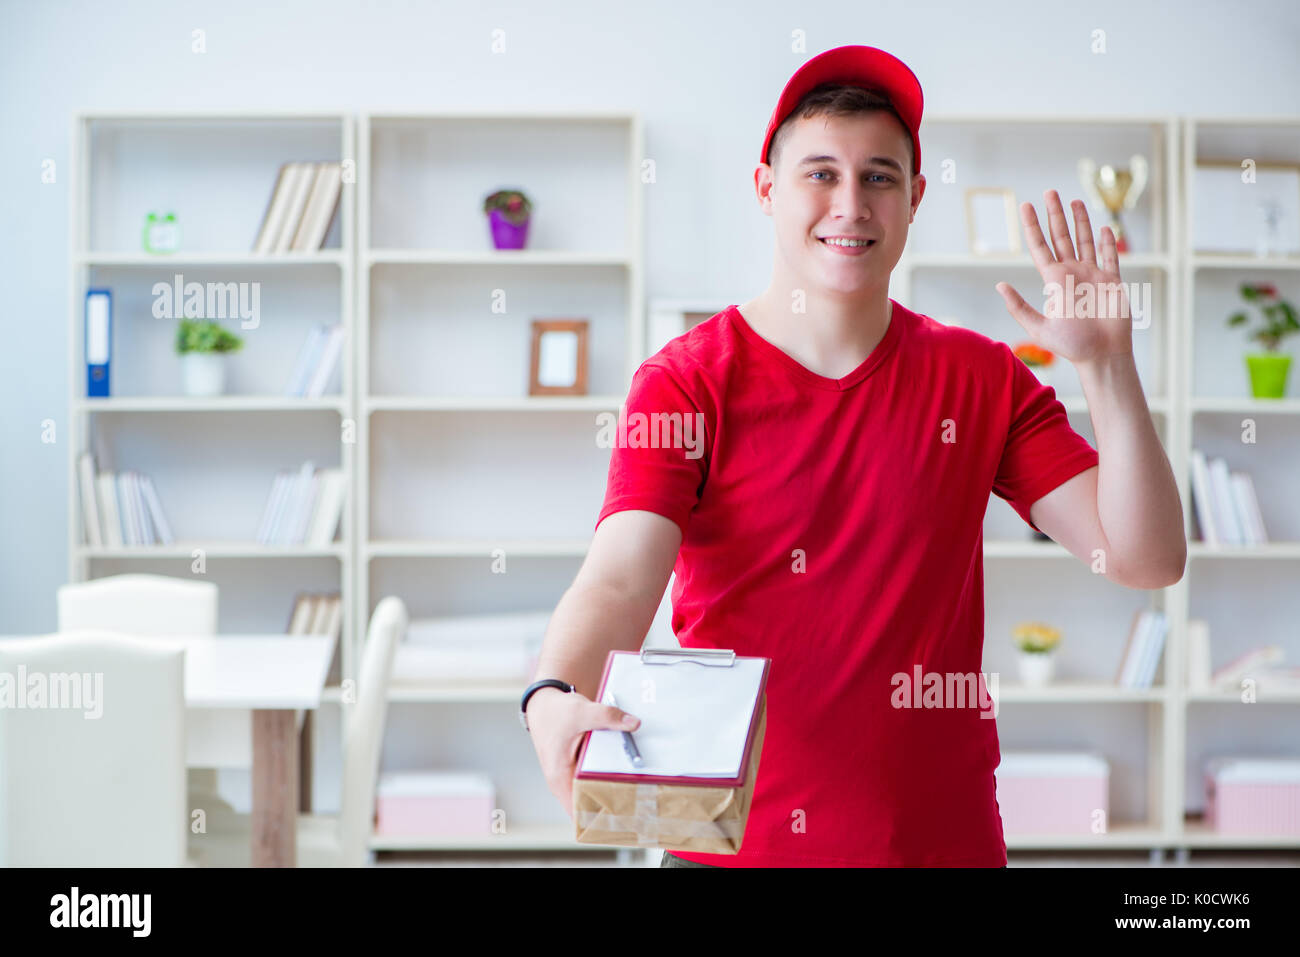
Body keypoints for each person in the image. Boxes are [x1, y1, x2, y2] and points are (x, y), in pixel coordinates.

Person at [521, 45, 1186, 867]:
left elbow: (1144, 559)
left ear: (914, 199)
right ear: (766, 188)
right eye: (820, 173)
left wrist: (1108, 366)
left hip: (941, 846)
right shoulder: (685, 384)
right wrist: (552, 691)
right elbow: (621, 577)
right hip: (734, 846)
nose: (851, 203)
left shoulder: (983, 378)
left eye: (879, 176)